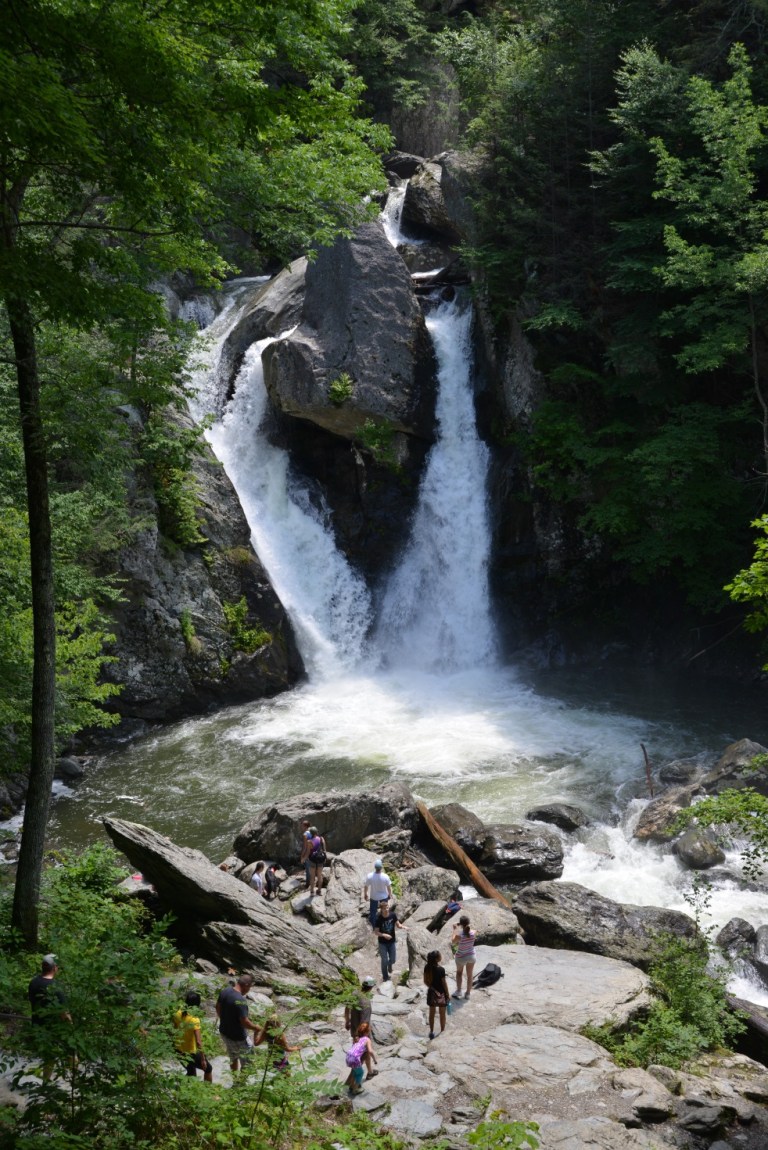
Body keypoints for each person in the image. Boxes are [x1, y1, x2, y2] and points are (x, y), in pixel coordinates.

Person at [28, 954, 71, 1081]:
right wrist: (71, 1028)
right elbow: (64, 1013)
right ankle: (72, 1083)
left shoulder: (34, 982)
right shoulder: (56, 987)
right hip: (54, 1029)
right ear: (55, 968)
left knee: (48, 1057)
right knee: (70, 1054)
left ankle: (46, 1083)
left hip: (37, 1026)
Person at [216, 973, 260, 1072]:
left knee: (233, 1057)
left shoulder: (225, 991)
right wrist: (256, 1028)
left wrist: (224, 1019)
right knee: (248, 1064)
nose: (249, 990)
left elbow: (218, 1007)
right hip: (239, 1037)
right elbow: (245, 1022)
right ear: (246, 985)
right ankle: (241, 1084)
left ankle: (235, 1079)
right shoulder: (241, 1001)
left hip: (224, 1032)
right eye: (250, 988)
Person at [173, 990, 213, 1082]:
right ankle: (208, 1092)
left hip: (178, 1050)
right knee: (208, 1069)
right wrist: (203, 1059)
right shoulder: (194, 1020)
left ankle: (184, 1089)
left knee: (191, 1072)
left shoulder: (177, 1013)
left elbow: (174, 1031)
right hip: (191, 1052)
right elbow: (199, 1042)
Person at [344, 975, 378, 1079]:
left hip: (354, 1030)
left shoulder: (354, 993)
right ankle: (352, 1082)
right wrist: (362, 1038)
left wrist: (347, 1021)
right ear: (371, 988)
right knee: (360, 1057)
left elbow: (347, 1008)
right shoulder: (366, 1002)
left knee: (363, 1053)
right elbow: (365, 1023)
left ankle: (370, 1071)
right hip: (362, 1034)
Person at [374, 898, 407, 983]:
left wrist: (403, 927)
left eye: (387, 907)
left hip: (392, 942)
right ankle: (385, 977)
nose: (386, 909)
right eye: (384, 908)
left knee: (393, 959)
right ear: (381, 909)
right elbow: (376, 932)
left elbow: (398, 925)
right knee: (384, 960)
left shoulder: (393, 915)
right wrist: (384, 935)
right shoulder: (378, 918)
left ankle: (390, 965)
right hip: (382, 943)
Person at [344, 1021, 376, 1096]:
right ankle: (355, 1089)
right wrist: (374, 1059)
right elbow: (370, 1051)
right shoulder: (367, 1039)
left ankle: (351, 1086)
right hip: (355, 1058)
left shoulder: (356, 1038)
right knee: (360, 1073)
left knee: (355, 1071)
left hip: (348, 1056)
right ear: (367, 1032)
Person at [423, 950, 449, 1039]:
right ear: (437, 959)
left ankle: (431, 1031)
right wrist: (447, 994)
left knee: (432, 1013)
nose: (441, 956)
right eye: (440, 955)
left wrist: (431, 987)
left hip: (431, 993)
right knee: (442, 1014)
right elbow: (444, 983)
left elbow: (425, 981)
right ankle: (442, 1031)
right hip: (441, 993)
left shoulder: (427, 967)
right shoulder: (441, 969)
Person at [451, 914, 477, 999]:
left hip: (461, 957)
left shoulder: (459, 935)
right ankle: (468, 993)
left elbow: (453, 942)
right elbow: (469, 929)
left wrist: (454, 929)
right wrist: (463, 924)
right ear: (469, 923)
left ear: (461, 924)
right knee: (470, 975)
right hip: (471, 956)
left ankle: (459, 991)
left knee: (459, 973)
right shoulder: (474, 932)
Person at [363, 859, 392, 927]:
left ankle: (374, 927)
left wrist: (365, 894)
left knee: (373, 912)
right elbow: (389, 887)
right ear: (381, 867)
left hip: (374, 896)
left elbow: (366, 886)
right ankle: (385, 925)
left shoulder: (370, 876)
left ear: (375, 867)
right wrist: (390, 894)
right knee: (385, 911)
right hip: (384, 896)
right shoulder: (385, 876)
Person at [307, 825, 327, 896]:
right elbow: (324, 850)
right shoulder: (321, 839)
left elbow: (308, 852)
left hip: (312, 860)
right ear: (316, 832)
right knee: (319, 875)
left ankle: (312, 892)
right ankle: (319, 891)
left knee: (312, 876)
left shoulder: (309, 841)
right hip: (320, 860)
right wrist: (325, 858)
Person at [299, 819, 312, 888]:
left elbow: (304, 846)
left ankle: (307, 884)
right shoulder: (312, 831)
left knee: (307, 869)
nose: (301, 827)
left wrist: (302, 856)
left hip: (308, 853)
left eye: (302, 825)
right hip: (314, 851)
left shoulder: (305, 834)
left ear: (305, 826)